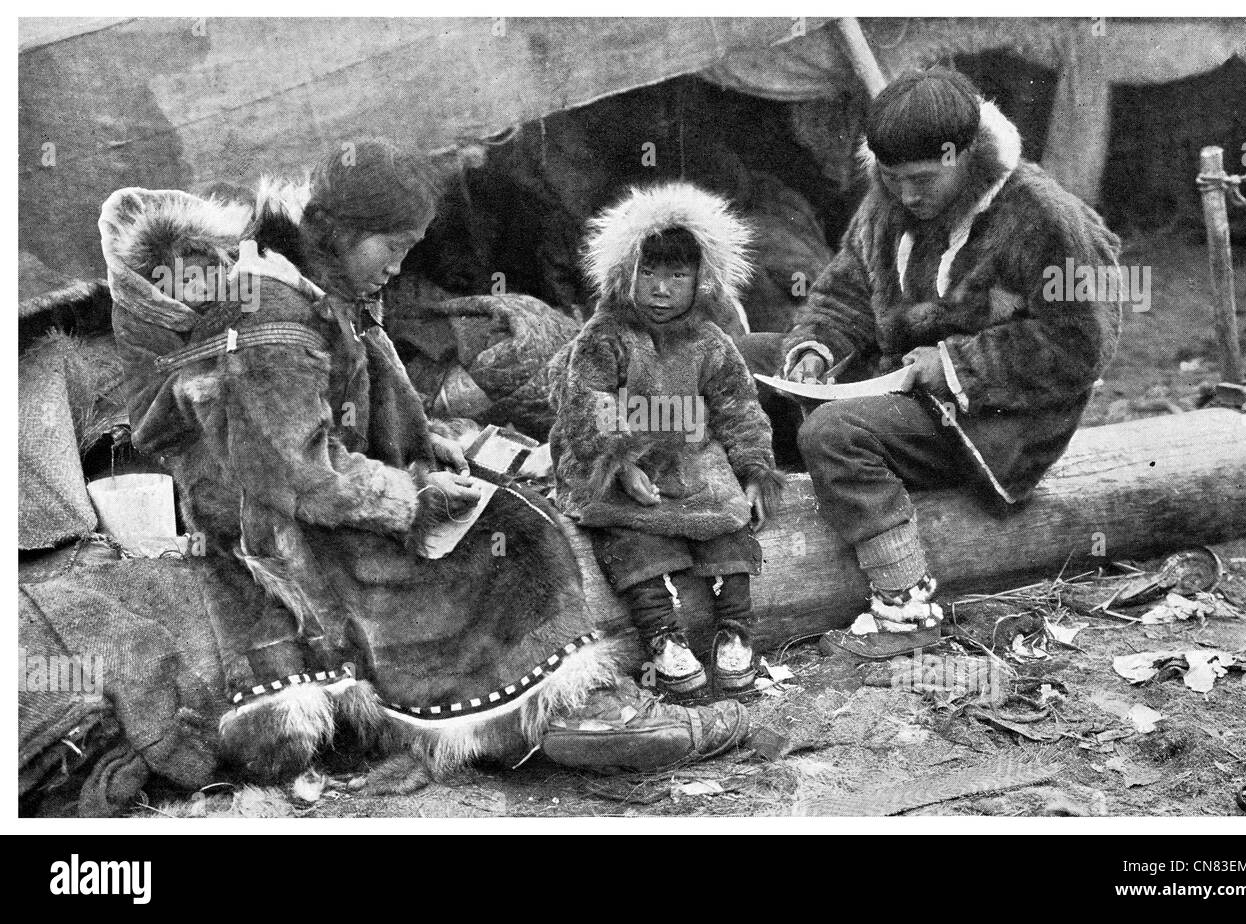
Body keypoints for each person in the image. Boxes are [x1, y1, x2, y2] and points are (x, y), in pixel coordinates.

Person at [101, 141, 749, 784]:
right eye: (393, 247)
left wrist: (434, 444)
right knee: (513, 536)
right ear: (347, 230)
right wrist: (410, 497)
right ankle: (566, 712)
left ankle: (547, 709)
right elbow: (298, 472)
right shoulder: (273, 315)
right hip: (288, 528)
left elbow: (363, 405)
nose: (399, 265)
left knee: (507, 506)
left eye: (410, 248)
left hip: (321, 495)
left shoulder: (320, 286)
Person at [780, 69, 1122, 658]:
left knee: (834, 432)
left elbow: (1081, 345)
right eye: (892, 178)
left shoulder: (1040, 214)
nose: (908, 196)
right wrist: (817, 350)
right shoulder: (888, 204)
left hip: (996, 422)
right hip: (909, 386)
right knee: (758, 354)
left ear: (963, 153)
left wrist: (956, 365)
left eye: (922, 179)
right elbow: (847, 294)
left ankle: (907, 605)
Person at [550, 182, 784, 694]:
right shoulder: (604, 336)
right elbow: (587, 401)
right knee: (632, 537)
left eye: (678, 274)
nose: (661, 289)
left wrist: (753, 471)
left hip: (692, 462)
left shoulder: (709, 341)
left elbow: (738, 406)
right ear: (623, 273)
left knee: (727, 525)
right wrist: (619, 463)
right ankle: (662, 635)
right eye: (648, 272)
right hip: (623, 465)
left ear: (702, 278)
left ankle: (736, 632)